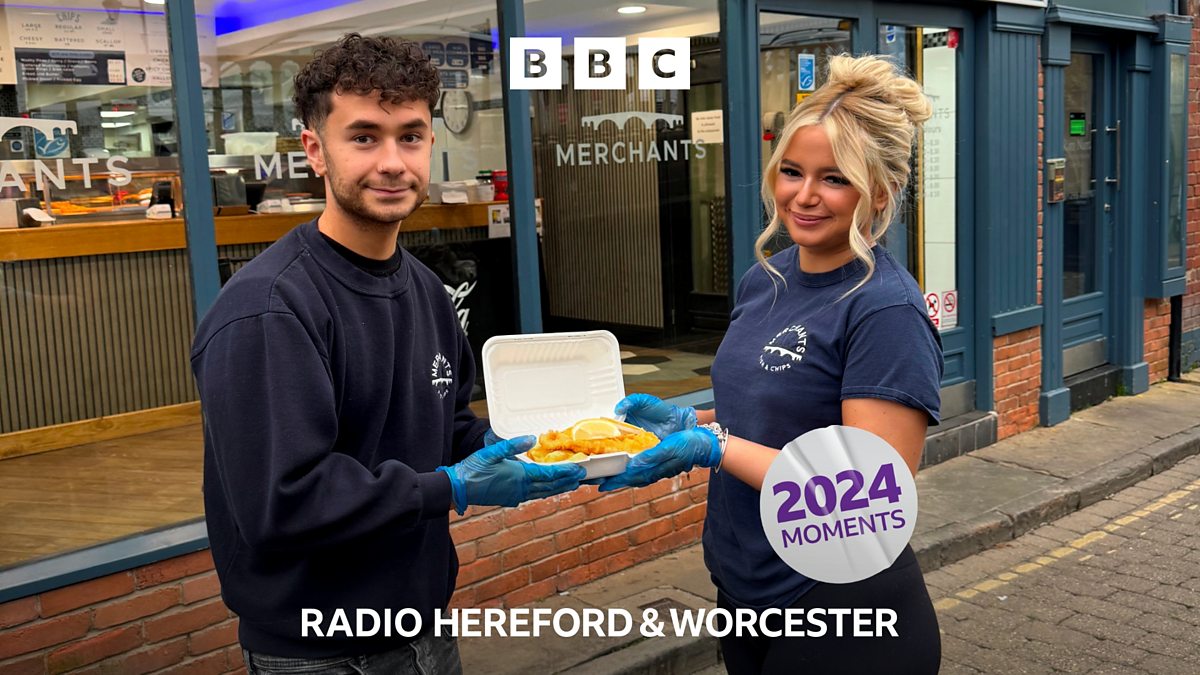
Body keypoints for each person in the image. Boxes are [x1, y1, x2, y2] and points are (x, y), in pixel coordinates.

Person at [191, 34, 584, 673]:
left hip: (425, 628)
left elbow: (447, 424)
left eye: (411, 135)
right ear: (315, 150)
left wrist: (549, 444)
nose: (393, 161)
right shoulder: (270, 308)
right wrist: (452, 487)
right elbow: (283, 501)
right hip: (321, 653)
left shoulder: (426, 289)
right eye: (365, 136)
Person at [602, 54, 943, 674]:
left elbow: (868, 496)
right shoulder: (767, 280)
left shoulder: (883, 309)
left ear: (883, 190)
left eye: (835, 179)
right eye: (791, 171)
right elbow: (762, 412)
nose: (804, 197)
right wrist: (683, 423)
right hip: (745, 585)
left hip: (837, 603)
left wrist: (709, 445)